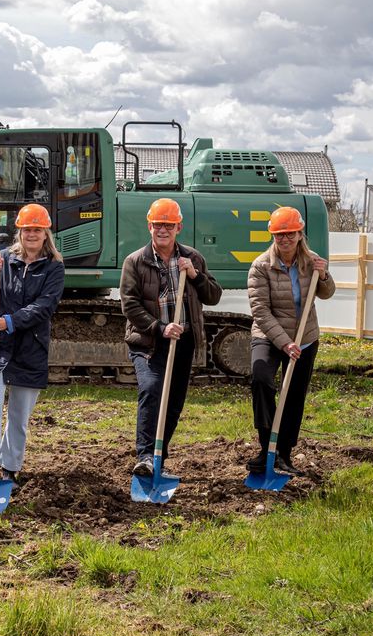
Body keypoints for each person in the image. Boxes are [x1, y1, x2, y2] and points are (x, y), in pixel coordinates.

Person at [120, 197, 223, 478]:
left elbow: (213, 295)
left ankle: (158, 458)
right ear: (149, 227)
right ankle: (144, 455)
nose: (162, 230)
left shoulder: (193, 258)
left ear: (178, 227)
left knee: (174, 402)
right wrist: (159, 327)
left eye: (168, 225)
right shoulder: (136, 261)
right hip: (149, 342)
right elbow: (129, 305)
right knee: (152, 390)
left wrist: (196, 275)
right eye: (157, 225)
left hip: (183, 342)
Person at [0, 203, 65, 483]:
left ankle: (9, 469)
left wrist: (10, 321)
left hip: (31, 346)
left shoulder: (54, 267)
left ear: (45, 233)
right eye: (26, 229)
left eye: (37, 230)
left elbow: (45, 306)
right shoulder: (4, 259)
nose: (31, 234)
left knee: (19, 414)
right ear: (18, 232)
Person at [246, 206, 335, 474]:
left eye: (289, 233)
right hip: (270, 336)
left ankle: (283, 453)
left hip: (305, 338)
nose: (284, 239)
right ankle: (267, 447)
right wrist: (284, 342)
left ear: (299, 233)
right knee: (261, 379)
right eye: (278, 234)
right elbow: (260, 310)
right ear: (272, 235)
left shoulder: (312, 261)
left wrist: (325, 275)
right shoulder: (261, 266)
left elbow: (327, 293)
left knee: (294, 396)